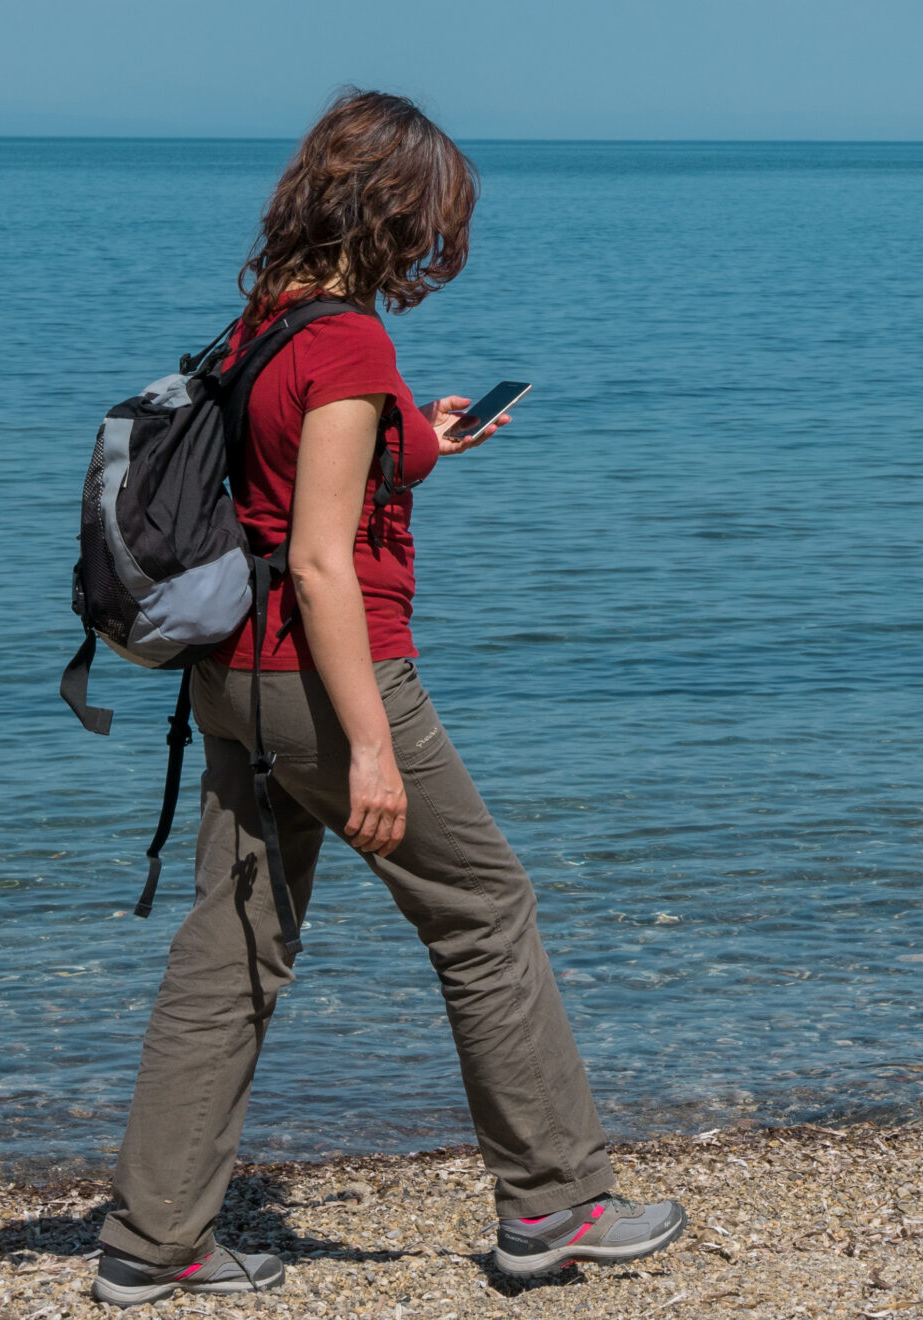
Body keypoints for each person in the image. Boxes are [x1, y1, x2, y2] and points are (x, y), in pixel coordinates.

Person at [92, 91, 687, 1308]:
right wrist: (370, 745)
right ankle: (554, 1203)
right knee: (482, 909)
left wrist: (423, 441)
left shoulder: (265, 324)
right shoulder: (350, 343)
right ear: (399, 215)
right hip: (327, 677)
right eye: (436, 221)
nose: (439, 246)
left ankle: (152, 1242)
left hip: (230, 682)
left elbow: (290, 481)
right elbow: (316, 557)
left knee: (233, 946)